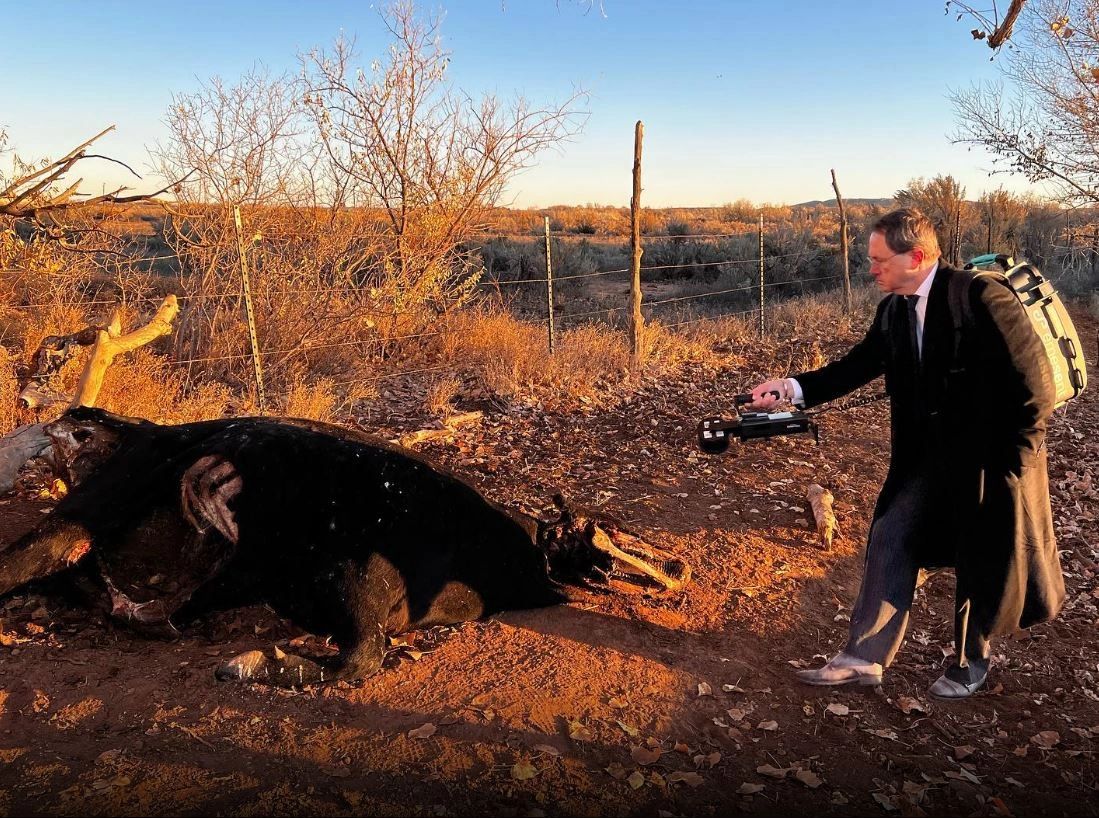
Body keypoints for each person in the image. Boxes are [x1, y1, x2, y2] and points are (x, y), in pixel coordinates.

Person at [749, 207, 1064, 699]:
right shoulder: (894, 308)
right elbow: (858, 365)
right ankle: (862, 660)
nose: (870, 269)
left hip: (988, 460)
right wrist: (791, 388)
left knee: (976, 553)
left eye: (879, 260)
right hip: (925, 459)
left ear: (915, 257)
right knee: (891, 534)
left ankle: (969, 661)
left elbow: (1035, 388)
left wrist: (1013, 460)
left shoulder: (979, 297)